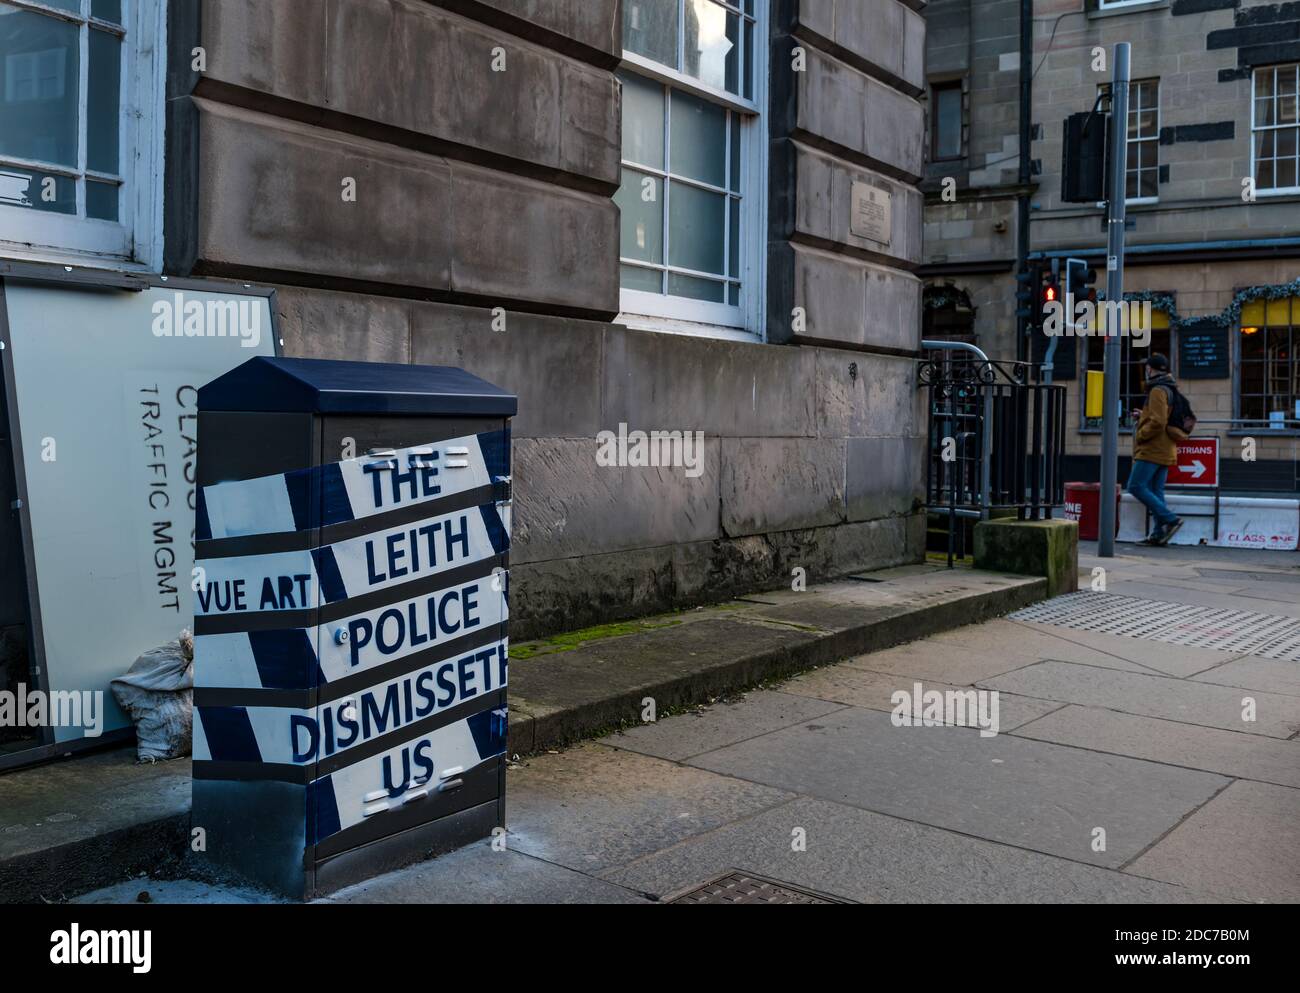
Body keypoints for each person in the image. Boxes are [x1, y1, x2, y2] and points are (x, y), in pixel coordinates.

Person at [1127, 353, 1188, 546]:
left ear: (1150, 369)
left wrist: (1141, 434)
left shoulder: (1157, 390)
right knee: (1156, 490)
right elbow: (1161, 415)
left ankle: (1170, 519)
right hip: (1166, 447)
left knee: (1135, 486)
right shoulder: (1170, 388)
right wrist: (1143, 414)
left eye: (1147, 368)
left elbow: (1159, 421)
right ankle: (1157, 534)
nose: (1146, 371)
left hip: (1153, 448)